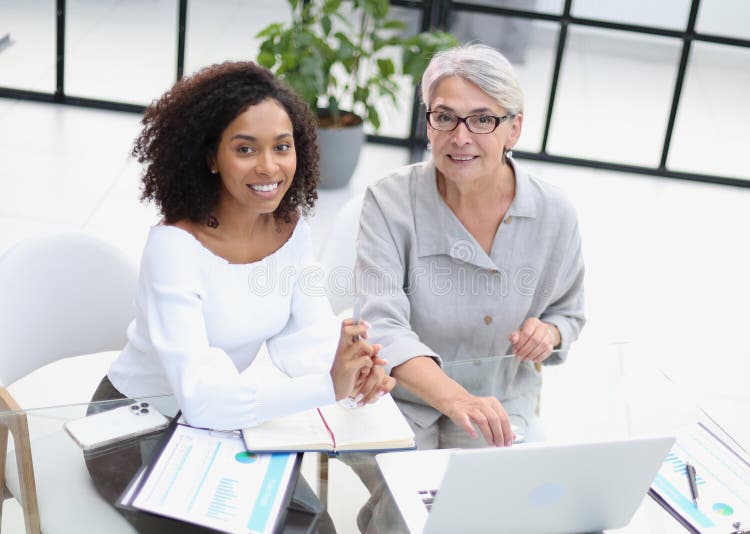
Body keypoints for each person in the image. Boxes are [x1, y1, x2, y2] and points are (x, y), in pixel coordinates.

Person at [87, 61, 395, 532]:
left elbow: (304, 341)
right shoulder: (174, 248)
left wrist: (351, 367)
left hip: (216, 422)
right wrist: (327, 386)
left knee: (314, 527)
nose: (269, 166)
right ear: (211, 156)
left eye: (282, 147)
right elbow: (204, 396)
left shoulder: (293, 230)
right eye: (245, 149)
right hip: (135, 425)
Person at [348, 43, 586, 533]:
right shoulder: (389, 201)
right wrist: (456, 399)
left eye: (482, 120)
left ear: (513, 128)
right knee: (414, 504)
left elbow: (569, 314)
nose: (460, 137)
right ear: (427, 122)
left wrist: (550, 333)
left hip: (500, 400)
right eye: (445, 118)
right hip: (397, 399)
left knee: (493, 508)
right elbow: (383, 327)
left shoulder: (555, 214)